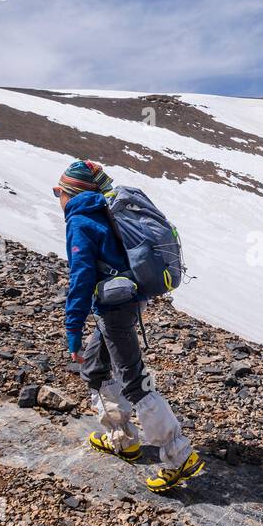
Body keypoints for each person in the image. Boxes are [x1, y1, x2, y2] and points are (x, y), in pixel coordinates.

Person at [55, 159, 205, 493]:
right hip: (125, 300)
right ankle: (122, 439)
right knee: (95, 369)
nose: (57, 197)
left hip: (114, 309)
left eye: (59, 191)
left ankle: (179, 457)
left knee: (134, 380)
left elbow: (80, 279)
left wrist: (72, 329)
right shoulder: (104, 209)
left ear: (71, 192)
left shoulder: (81, 221)